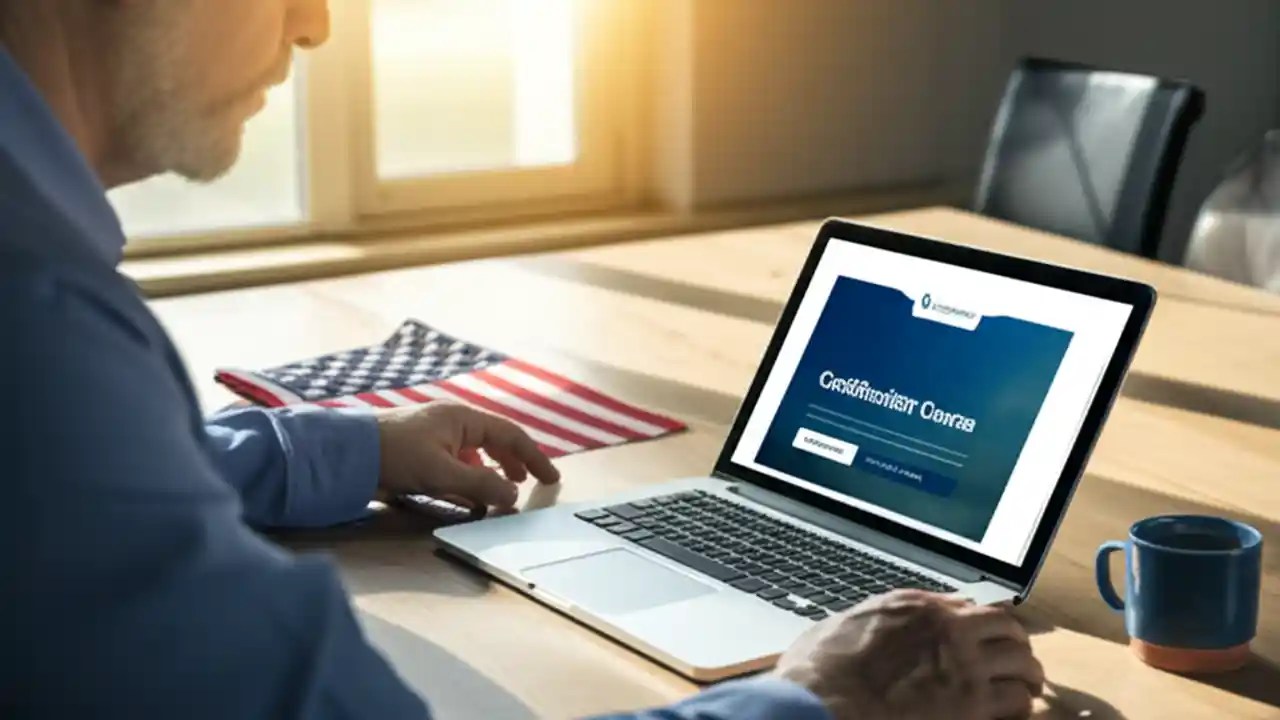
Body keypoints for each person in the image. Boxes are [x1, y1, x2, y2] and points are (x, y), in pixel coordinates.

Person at [0, 2, 1045, 718]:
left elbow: (78, 496)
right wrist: (814, 702)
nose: (314, 23)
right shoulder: (39, 324)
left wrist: (356, 452)